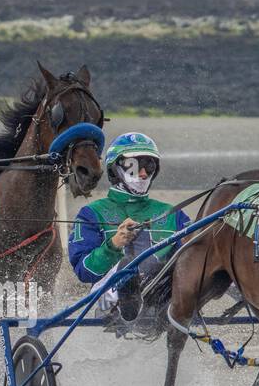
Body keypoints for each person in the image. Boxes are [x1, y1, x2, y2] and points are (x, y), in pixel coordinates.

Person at [67, 132, 188, 324]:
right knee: (127, 266)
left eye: (149, 166)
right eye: (135, 166)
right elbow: (84, 271)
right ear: (116, 169)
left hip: (162, 293)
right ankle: (130, 300)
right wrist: (114, 244)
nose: (143, 174)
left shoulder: (173, 214)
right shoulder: (92, 213)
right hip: (108, 300)